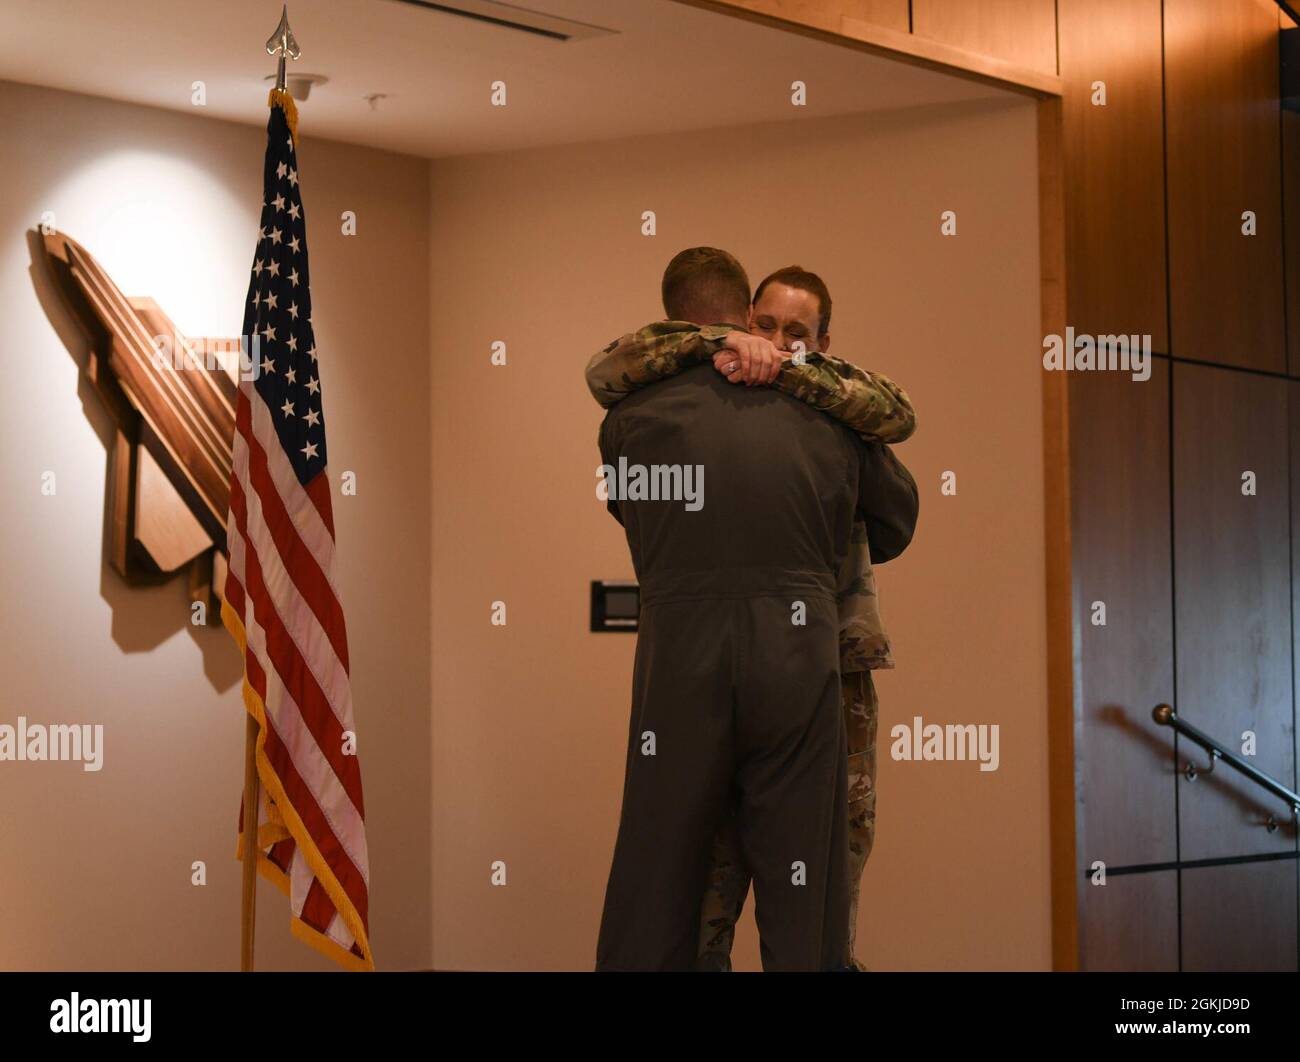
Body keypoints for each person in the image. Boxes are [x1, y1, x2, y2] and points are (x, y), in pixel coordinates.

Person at [591, 247, 918, 971]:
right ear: (741, 317)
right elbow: (900, 518)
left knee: (659, 878)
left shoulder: (628, 418)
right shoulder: (828, 416)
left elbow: (628, 508)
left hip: (678, 660)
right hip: (798, 657)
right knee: (806, 891)